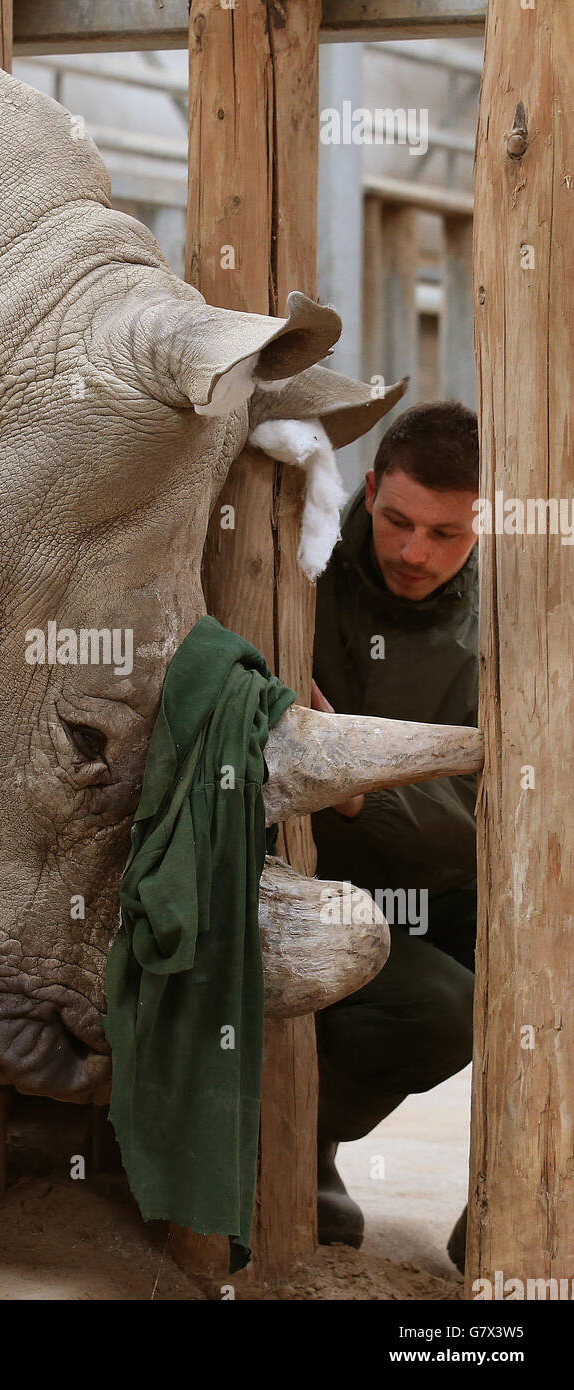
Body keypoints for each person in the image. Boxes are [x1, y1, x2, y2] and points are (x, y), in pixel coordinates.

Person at [310, 399, 479, 1272]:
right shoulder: (294, 568)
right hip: (307, 883)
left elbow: (489, 825)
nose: (415, 553)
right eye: (398, 521)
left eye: (446, 534)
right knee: (437, 1011)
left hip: (443, 876)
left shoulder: (512, 616)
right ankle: (295, 1145)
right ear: (369, 488)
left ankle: (509, 1198)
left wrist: (346, 782)